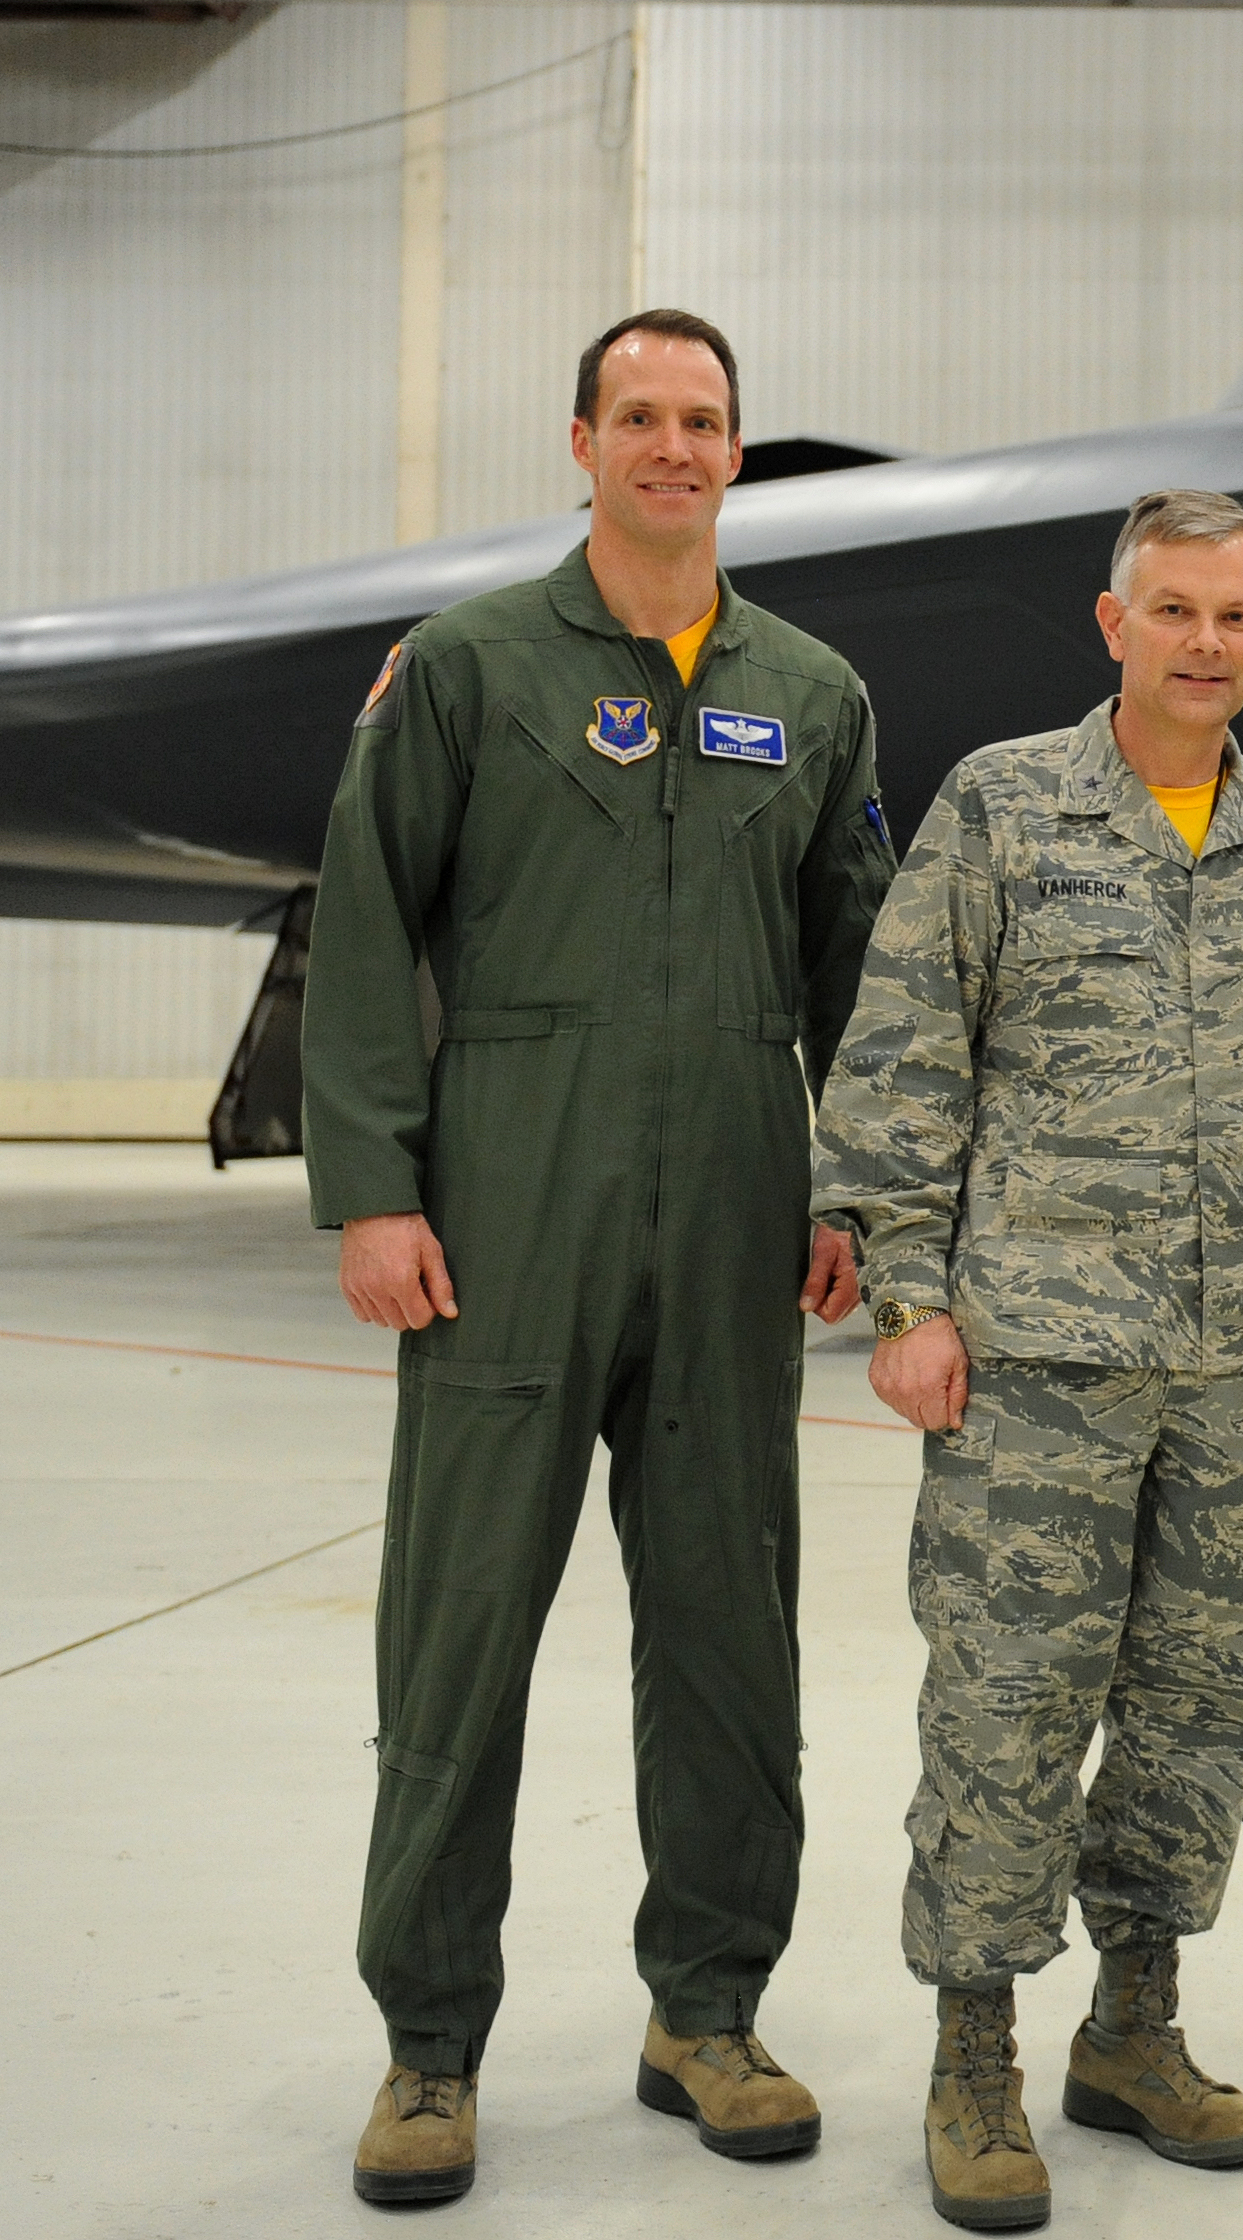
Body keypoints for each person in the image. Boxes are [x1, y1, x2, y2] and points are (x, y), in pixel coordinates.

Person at [305, 310, 894, 2208]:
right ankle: (427, 2047)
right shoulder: (468, 667)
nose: (671, 446)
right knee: (461, 1633)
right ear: (581, 442)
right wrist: (372, 1188)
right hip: (508, 1214)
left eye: (702, 419)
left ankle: (707, 2008)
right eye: (636, 416)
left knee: (731, 1632)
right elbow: (367, 915)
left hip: (731, 1213)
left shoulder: (812, 692)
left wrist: (858, 1190)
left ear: (737, 451)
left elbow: (857, 971)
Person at [813, 486, 1243, 2235]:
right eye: (1174, 611)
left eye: (1234, 617)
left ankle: (1134, 2028)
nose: (1203, 642)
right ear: (1112, 621)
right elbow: (901, 1063)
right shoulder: (1003, 803)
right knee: (1005, 1705)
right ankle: (974, 2056)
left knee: (1204, 1707)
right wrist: (907, 1307)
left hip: (1240, 1367)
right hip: (1038, 1360)